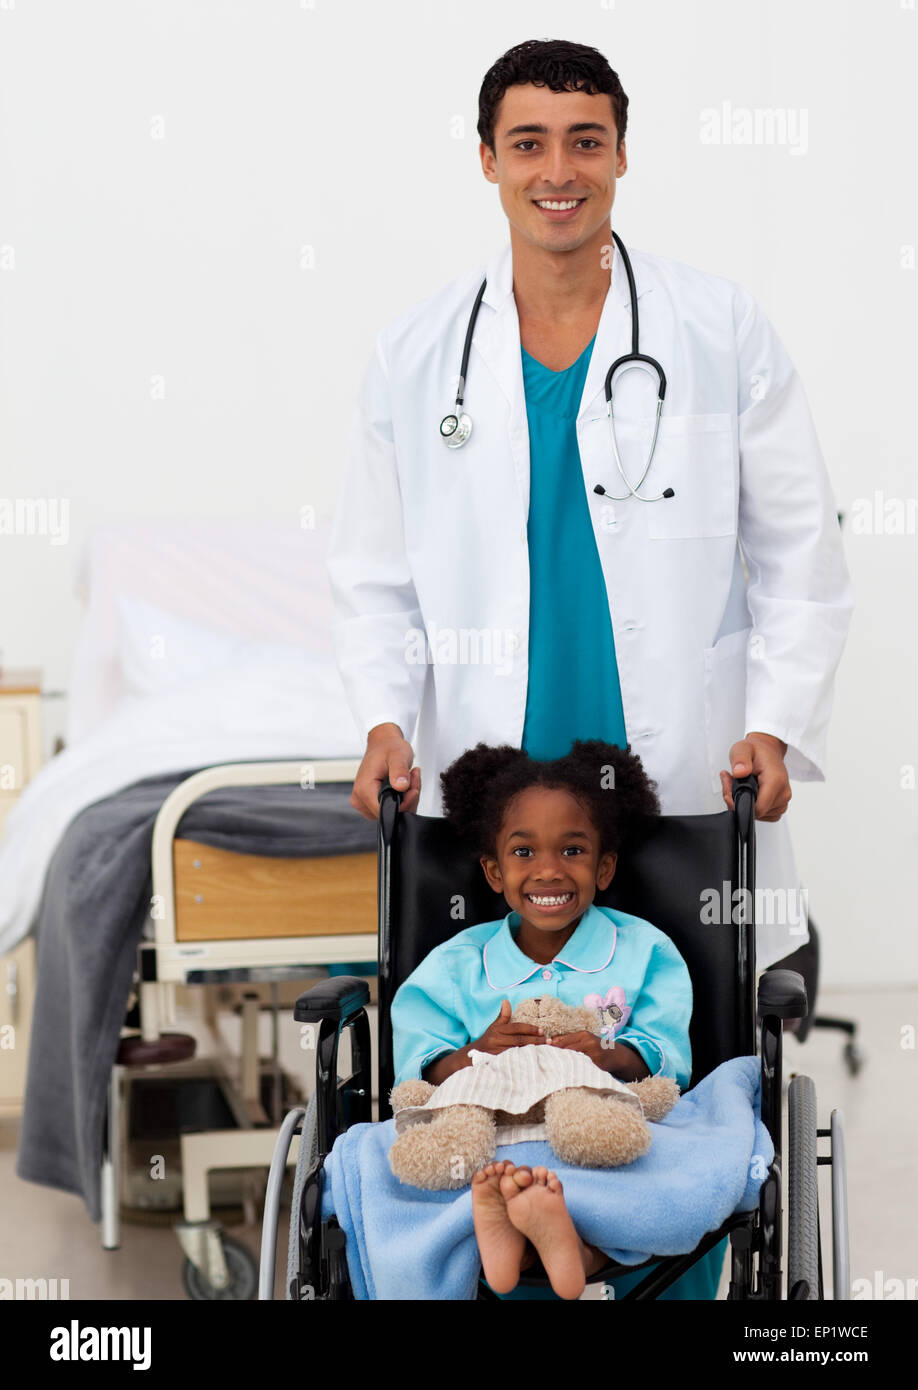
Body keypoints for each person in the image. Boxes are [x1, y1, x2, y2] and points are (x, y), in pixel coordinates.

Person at [326, 37, 854, 979]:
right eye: (528, 143)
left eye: (586, 140)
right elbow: (374, 578)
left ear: (621, 152)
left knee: (691, 1041)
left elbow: (799, 551)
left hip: (681, 772)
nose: (559, 172)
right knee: (490, 1053)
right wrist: (381, 721)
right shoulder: (415, 352)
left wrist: (775, 723)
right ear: (488, 160)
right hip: (498, 785)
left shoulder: (719, 328)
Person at [391, 739, 698, 1300]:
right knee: (380, 1157)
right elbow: (417, 1061)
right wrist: (474, 1053)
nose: (549, 871)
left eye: (574, 851)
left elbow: (667, 1052)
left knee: (705, 1144)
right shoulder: (460, 962)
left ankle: (542, 1231)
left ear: (605, 868)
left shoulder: (643, 950)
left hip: (597, 1133)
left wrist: (609, 1056)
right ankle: (533, 1229)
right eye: (524, 853)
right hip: (491, 1141)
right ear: (493, 871)